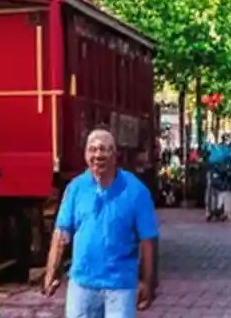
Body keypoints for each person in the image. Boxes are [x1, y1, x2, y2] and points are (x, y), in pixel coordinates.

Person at [43, 129, 158, 317]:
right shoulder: (75, 188)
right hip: (82, 283)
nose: (98, 155)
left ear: (115, 156)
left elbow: (148, 240)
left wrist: (148, 282)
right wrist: (50, 272)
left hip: (120, 286)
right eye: (92, 149)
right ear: (86, 155)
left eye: (104, 150)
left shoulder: (136, 191)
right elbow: (61, 233)